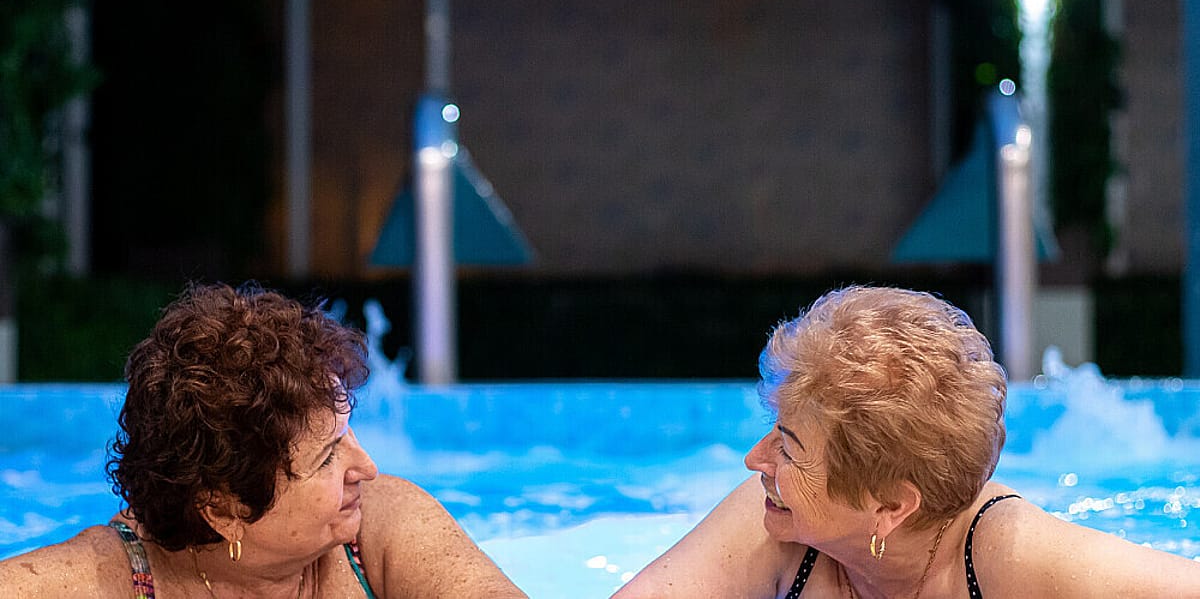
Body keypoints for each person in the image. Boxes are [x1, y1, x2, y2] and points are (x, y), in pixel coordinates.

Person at [613, 285, 1200, 599]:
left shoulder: (1011, 557)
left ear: (890, 505)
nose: (755, 460)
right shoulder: (775, 523)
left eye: (788, 448)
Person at [0, 282, 528, 598]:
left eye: (348, 432)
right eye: (326, 457)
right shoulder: (93, 582)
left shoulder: (384, 531)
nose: (365, 466)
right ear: (225, 508)